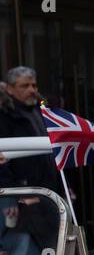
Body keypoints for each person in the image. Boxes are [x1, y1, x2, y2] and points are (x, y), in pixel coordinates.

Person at [0, 66, 62, 195]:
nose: (32, 90)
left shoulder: (42, 111)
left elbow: (55, 151)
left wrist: (64, 186)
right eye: (24, 86)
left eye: (34, 85)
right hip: (24, 193)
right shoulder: (5, 116)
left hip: (50, 190)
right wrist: (11, 194)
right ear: (10, 89)